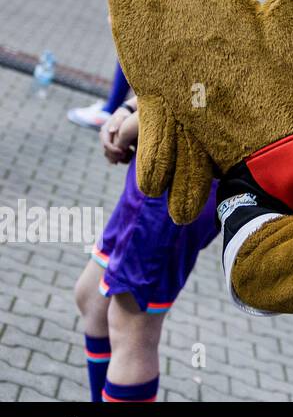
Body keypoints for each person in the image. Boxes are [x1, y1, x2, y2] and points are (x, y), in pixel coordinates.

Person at [74, 95, 219, 401]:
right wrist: (128, 108)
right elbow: (170, 68)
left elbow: (203, 82)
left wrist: (131, 124)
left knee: (133, 329)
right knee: (92, 298)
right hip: (160, 166)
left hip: (182, 176)